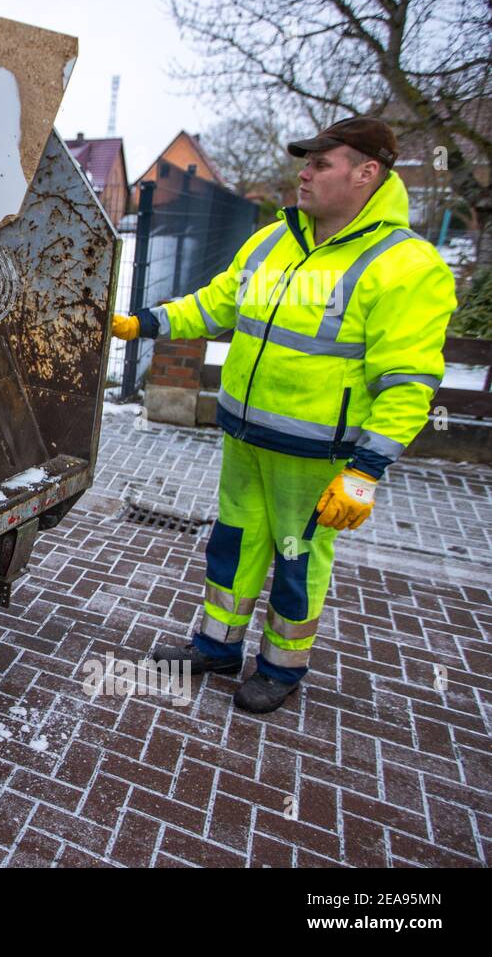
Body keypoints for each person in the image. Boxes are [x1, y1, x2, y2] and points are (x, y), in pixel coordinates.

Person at [111, 117, 458, 713]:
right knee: (233, 545)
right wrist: (145, 322)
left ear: (366, 173)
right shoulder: (274, 240)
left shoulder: (405, 265)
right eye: (306, 162)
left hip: (316, 456)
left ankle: (281, 666)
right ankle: (217, 645)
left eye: (322, 164)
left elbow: (408, 381)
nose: (304, 172)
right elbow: (218, 302)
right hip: (245, 436)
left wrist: (365, 471)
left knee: (297, 561)